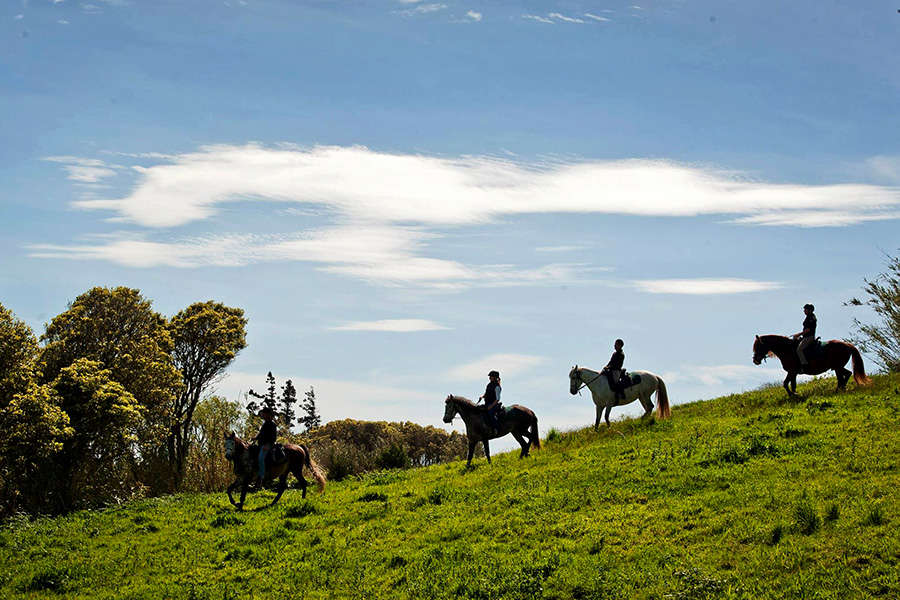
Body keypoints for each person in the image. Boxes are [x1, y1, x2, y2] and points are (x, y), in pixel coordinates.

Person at [253, 406, 278, 487]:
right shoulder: (264, 424)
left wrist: (268, 445)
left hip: (268, 445)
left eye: (263, 414)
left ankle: (261, 477)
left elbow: (273, 438)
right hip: (261, 444)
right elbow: (260, 434)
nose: (262, 415)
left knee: (261, 458)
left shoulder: (272, 424)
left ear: (268, 415)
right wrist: (255, 438)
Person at [792, 303, 817, 371]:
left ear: (810, 310)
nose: (804, 311)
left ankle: (805, 365)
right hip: (805, 337)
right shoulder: (809, 317)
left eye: (805, 309)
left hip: (809, 337)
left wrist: (798, 334)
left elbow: (808, 329)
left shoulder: (811, 318)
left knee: (799, 350)